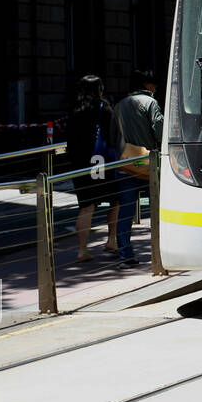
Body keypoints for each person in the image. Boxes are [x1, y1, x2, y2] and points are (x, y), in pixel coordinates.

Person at [64, 75, 122, 262]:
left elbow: (69, 140)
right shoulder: (104, 108)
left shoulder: (74, 109)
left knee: (86, 206)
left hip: (80, 165)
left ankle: (82, 250)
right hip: (102, 162)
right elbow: (114, 136)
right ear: (99, 89)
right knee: (115, 200)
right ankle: (111, 240)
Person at [111, 68, 163, 269]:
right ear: (146, 84)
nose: (156, 86)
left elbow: (112, 135)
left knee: (125, 211)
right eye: (154, 83)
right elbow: (159, 131)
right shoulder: (151, 103)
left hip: (125, 165)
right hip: (149, 165)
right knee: (158, 210)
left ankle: (125, 253)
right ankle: (159, 251)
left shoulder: (119, 106)